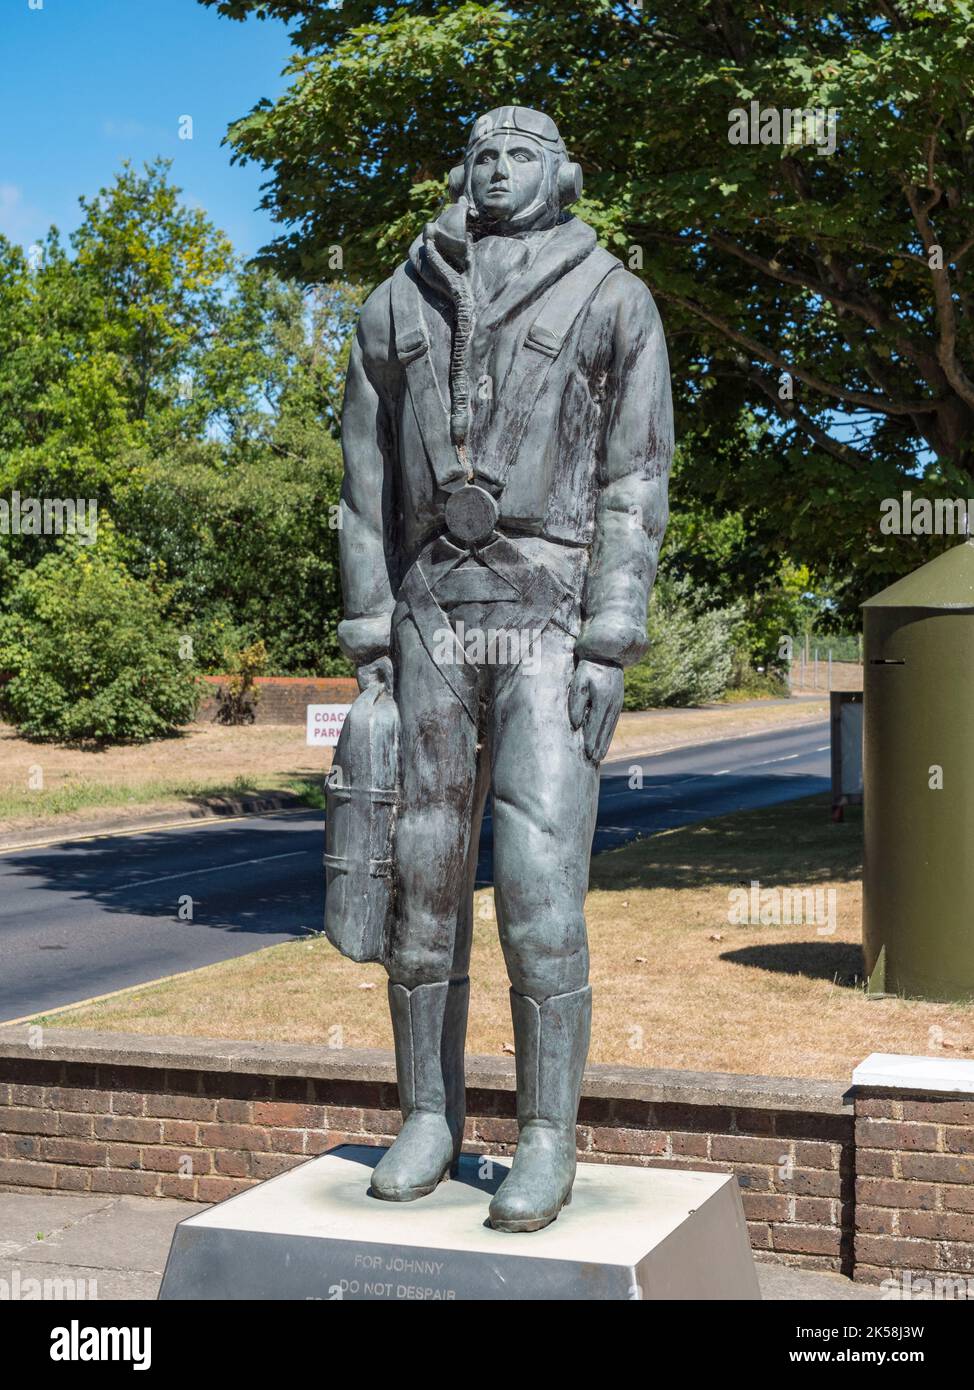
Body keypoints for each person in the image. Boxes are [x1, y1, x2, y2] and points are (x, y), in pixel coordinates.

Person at [337, 105, 672, 1232]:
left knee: (535, 888)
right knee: (420, 882)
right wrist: (370, 627)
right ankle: (427, 1115)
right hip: (431, 612)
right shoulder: (395, 302)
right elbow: (360, 481)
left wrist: (611, 633)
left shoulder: (613, 296)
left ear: (561, 171)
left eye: (518, 152)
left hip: (548, 614)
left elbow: (635, 479)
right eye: (480, 152)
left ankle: (544, 1135)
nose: (494, 168)